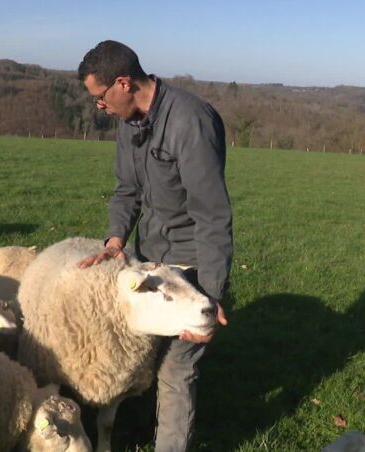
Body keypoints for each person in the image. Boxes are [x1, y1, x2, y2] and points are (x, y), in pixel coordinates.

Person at [76, 40, 233, 451]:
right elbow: (127, 190)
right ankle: (136, 432)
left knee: (176, 370)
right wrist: (115, 241)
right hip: (150, 258)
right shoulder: (129, 124)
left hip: (191, 266)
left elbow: (212, 216)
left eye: (100, 98)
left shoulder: (190, 123)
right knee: (144, 357)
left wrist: (211, 294)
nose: (100, 108)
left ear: (123, 83)